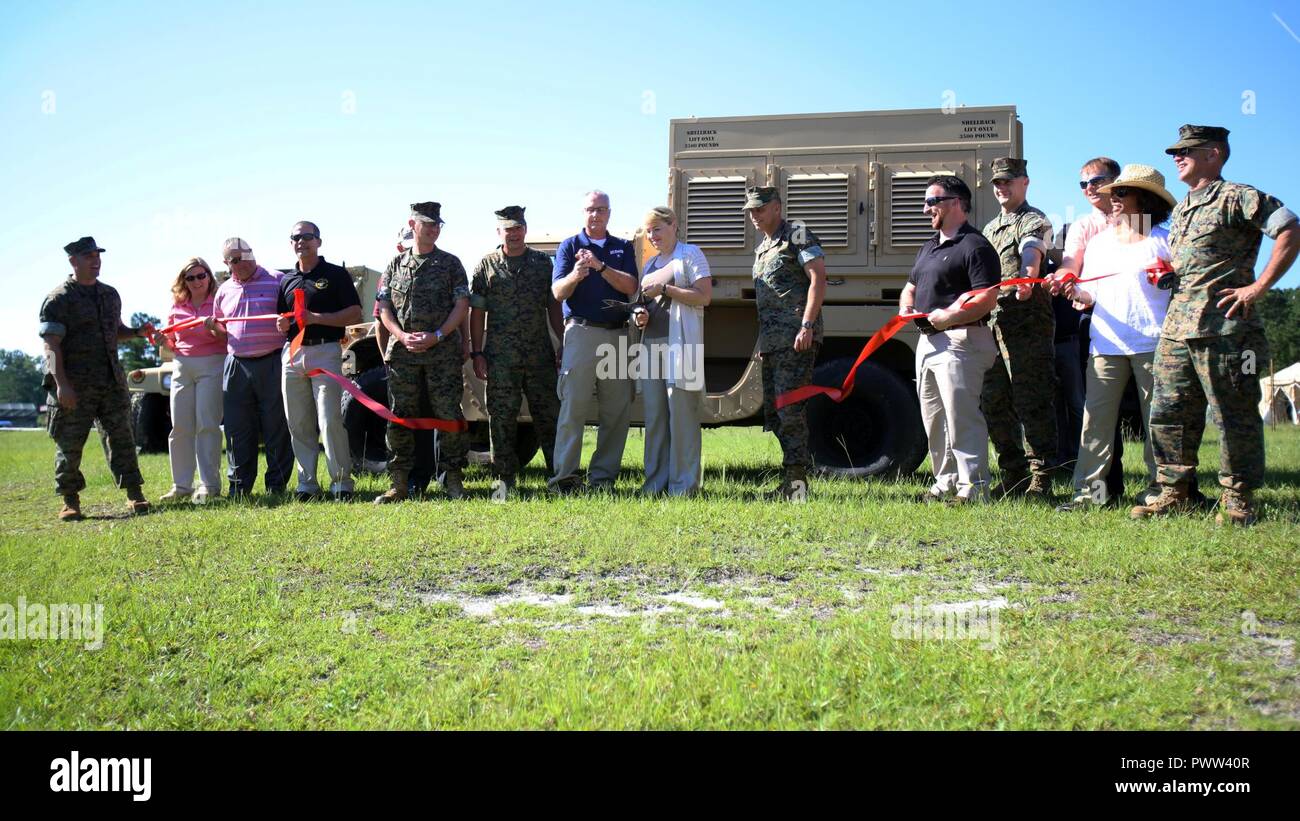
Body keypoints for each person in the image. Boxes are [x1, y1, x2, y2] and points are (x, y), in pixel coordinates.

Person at [1132, 125, 1299, 525]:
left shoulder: (1237, 196)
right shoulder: (1182, 209)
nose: (1176, 156)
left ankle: (1238, 498)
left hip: (1225, 329)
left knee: (1232, 414)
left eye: (1186, 150)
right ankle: (1175, 491)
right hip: (1177, 328)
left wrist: (1258, 287)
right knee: (1169, 412)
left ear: (1214, 153)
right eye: (1174, 150)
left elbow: (1290, 227)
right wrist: (1168, 274)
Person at [1055, 164, 1176, 511]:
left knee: (1157, 423)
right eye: (1115, 192)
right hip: (1105, 344)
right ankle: (1089, 497)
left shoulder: (1164, 240)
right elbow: (1090, 293)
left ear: (1147, 199)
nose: (1114, 198)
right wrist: (1074, 292)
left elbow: (1181, 290)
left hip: (1155, 344)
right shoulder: (1100, 243)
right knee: (1095, 423)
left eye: (1122, 192)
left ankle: (1160, 495)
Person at [900, 176, 1001, 504]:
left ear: (956, 202)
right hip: (929, 343)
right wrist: (906, 306)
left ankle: (975, 488)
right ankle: (945, 484)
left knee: (961, 417)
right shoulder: (929, 245)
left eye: (932, 201)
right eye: (926, 201)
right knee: (934, 418)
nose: (925, 207)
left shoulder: (976, 246)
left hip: (962, 339)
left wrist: (949, 317)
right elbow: (911, 285)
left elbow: (986, 298)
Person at [38, 236, 151, 520]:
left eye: (97, 255)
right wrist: (62, 384)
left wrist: (137, 333)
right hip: (74, 385)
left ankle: (134, 494)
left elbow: (116, 331)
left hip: (111, 383)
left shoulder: (110, 294)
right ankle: (70, 500)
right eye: (89, 256)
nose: (96, 260)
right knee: (70, 444)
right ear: (73, 261)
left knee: (122, 438)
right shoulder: (59, 299)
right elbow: (50, 345)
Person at [374, 201, 471, 503]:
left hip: (442, 354)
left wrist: (439, 335)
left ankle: (453, 481)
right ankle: (399, 483)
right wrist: (401, 336)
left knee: (448, 416)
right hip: (404, 355)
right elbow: (384, 309)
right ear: (412, 225)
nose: (433, 229)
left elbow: (461, 306)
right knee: (400, 418)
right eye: (427, 223)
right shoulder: (394, 265)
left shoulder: (451, 264)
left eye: (437, 224)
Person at [547, 190, 640, 493]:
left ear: (609, 213)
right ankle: (565, 479)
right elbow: (558, 292)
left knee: (616, 411)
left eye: (601, 209)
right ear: (583, 212)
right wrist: (576, 273)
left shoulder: (622, 247)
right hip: (581, 332)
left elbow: (630, 286)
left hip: (616, 334)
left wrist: (600, 267)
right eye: (590, 209)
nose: (595, 215)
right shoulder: (569, 246)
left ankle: (603, 480)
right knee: (573, 408)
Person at [469, 206, 563, 495]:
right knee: (501, 420)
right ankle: (504, 480)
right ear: (500, 232)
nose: (514, 234)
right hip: (500, 358)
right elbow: (477, 313)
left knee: (549, 417)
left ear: (525, 229)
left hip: (539, 356)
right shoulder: (486, 265)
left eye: (518, 228)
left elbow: (554, 307)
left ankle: (559, 477)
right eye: (508, 229)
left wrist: (563, 342)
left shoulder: (542, 264)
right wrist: (477, 353)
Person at [980, 157, 1057, 501]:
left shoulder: (1035, 220)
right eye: (997, 182)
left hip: (1027, 325)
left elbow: (1031, 250)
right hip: (993, 323)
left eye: (1008, 181)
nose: (1001, 188)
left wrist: (1027, 276)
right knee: (994, 400)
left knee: (1032, 400)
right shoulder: (990, 227)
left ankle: (1041, 479)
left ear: (1025, 182)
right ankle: (1012, 474)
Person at [743, 185, 826, 500]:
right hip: (774, 342)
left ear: (776, 207)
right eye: (750, 210)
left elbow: (818, 277)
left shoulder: (798, 232)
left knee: (791, 412)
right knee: (776, 414)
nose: (754, 215)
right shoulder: (764, 245)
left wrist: (806, 325)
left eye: (759, 209)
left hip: (796, 339)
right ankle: (792, 481)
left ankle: (797, 488)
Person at [275, 221, 362, 502]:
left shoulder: (335, 275)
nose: (302, 242)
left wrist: (317, 318)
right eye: (296, 238)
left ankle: (341, 484)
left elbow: (354, 313)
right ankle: (307, 485)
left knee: (329, 420)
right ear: (291, 244)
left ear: (319, 242)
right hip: (293, 354)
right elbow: (285, 317)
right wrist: (281, 324)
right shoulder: (287, 280)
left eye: (308, 237)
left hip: (325, 351)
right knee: (298, 423)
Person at [630, 206, 712, 496]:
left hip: (682, 346)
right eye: (649, 231)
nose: (653, 236)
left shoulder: (691, 254)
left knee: (683, 419)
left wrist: (666, 289)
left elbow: (704, 297)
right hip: (651, 346)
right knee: (655, 420)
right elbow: (643, 303)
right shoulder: (650, 265)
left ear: (673, 225)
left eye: (658, 229)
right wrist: (639, 315)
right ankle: (655, 485)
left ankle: (684, 487)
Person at [206, 237, 293, 498]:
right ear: (225, 263)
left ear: (252, 255)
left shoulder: (278, 280)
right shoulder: (223, 291)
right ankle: (239, 488)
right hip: (237, 365)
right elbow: (225, 332)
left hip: (272, 361)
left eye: (241, 258)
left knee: (276, 426)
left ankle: (276, 486)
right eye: (232, 261)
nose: (238, 264)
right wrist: (214, 328)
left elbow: (292, 318)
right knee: (236, 428)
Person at [155, 257, 226, 504]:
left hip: (213, 363)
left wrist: (214, 329)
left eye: (201, 275)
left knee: (207, 424)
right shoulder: (178, 306)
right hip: (182, 366)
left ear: (209, 277)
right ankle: (181, 486)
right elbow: (172, 342)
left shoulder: (219, 301)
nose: (196, 281)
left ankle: (209, 485)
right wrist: (162, 341)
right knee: (180, 427)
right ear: (183, 281)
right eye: (190, 277)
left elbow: (228, 338)